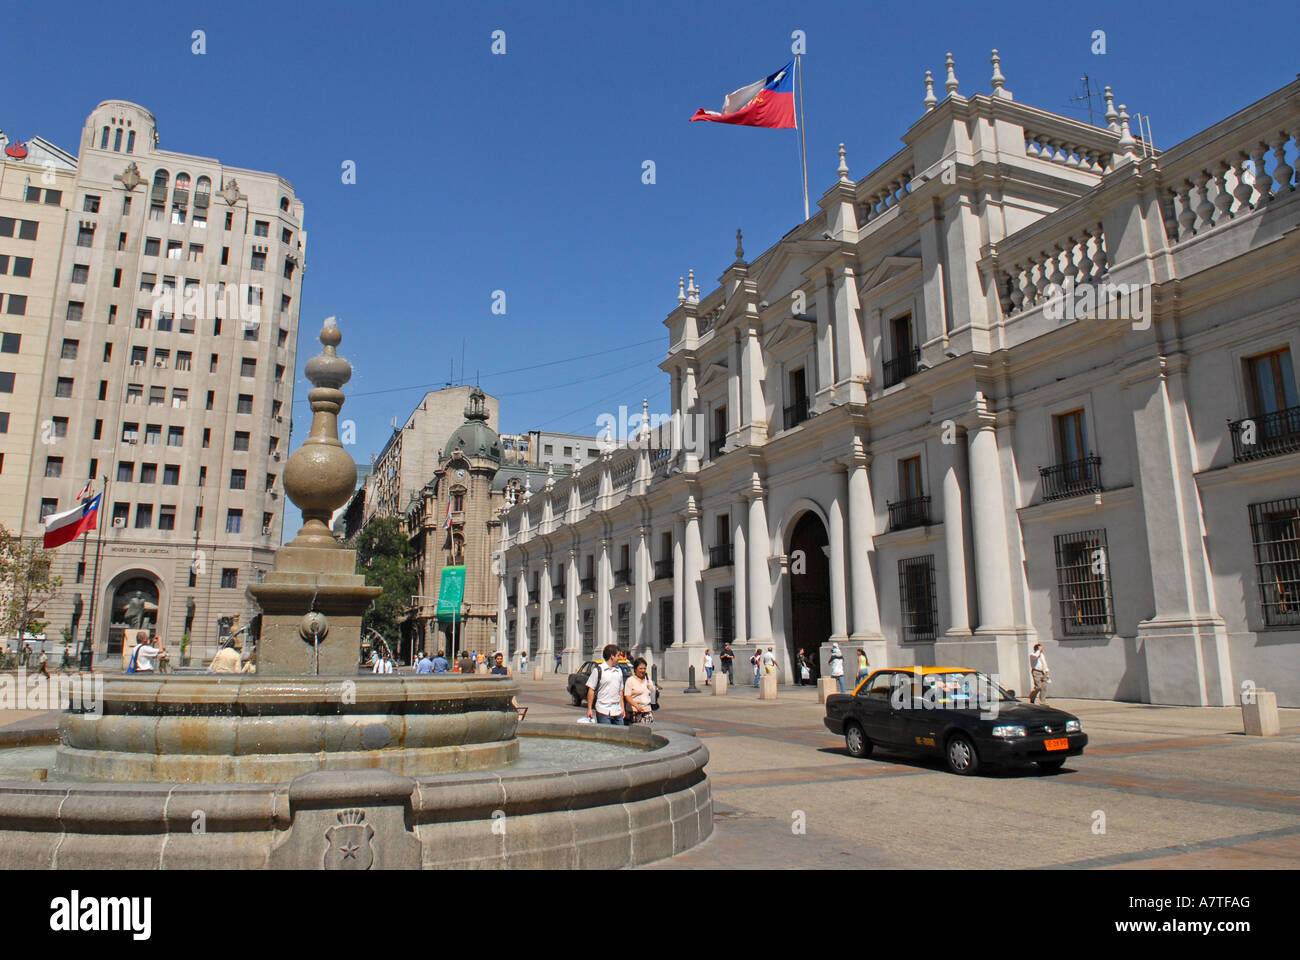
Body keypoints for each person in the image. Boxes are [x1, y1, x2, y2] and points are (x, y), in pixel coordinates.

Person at [586, 643, 628, 725]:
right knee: (605, 735)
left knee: (621, 736)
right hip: (603, 711)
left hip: (617, 711)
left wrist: (622, 708)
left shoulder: (619, 670)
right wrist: (589, 709)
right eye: (618, 655)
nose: (619, 658)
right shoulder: (598, 670)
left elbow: (620, 691)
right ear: (612, 656)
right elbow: (591, 690)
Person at [624, 657, 656, 723]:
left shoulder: (648, 679)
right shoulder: (630, 680)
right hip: (634, 712)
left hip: (647, 711)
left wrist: (652, 690)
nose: (643, 670)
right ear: (635, 669)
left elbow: (653, 697)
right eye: (640, 668)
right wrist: (636, 705)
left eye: (644, 668)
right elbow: (627, 696)